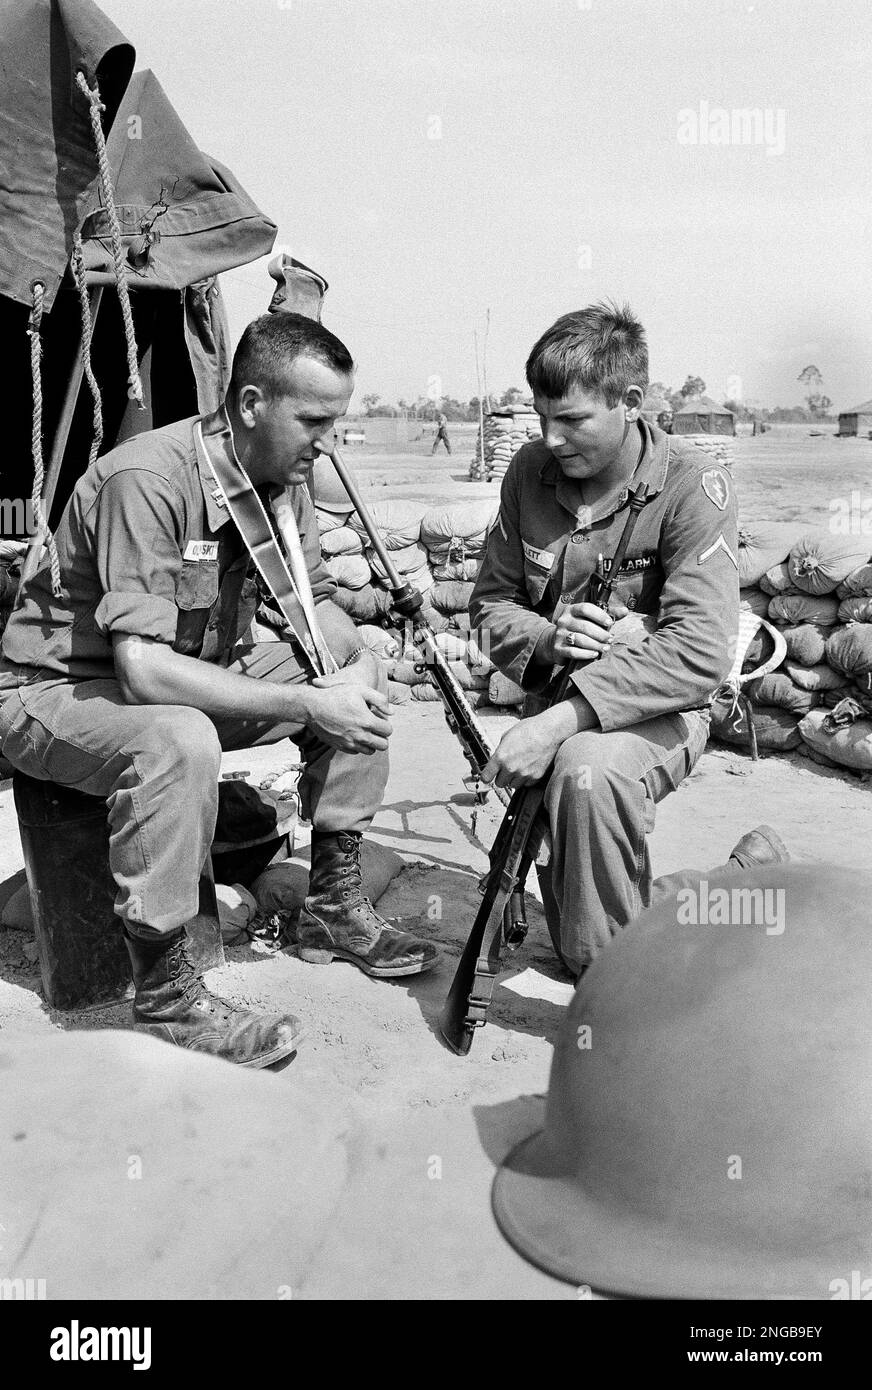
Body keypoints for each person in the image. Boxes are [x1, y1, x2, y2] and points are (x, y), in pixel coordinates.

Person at [0, 312, 438, 1069]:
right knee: (179, 736)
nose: (328, 441)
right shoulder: (148, 481)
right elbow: (142, 669)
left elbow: (319, 610)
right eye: (313, 419)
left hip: (172, 680)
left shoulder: (279, 480)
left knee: (342, 669)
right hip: (54, 691)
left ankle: (332, 905)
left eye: (338, 419)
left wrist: (356, 668)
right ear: (249, 405)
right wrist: (306, 704)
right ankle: (167, 991)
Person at [471, 301, 788, 979]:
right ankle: (738, 883)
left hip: (663, 711)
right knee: (585, 924)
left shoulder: (694, 488)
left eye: (573, 420)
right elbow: (490, 605)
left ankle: (611, 977)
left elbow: (701, 654)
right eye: (541, 419)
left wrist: (558, 723)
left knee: (590, 772)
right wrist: (549, 639)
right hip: (555, 705)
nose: (551, 440)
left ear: (632, 402)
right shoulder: (528, 473)